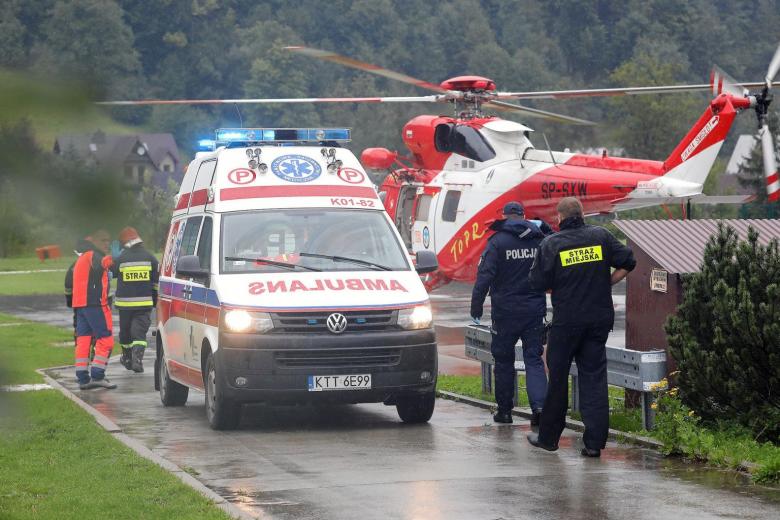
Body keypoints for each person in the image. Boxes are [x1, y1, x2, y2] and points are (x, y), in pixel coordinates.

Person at [526, 197, 635, 457]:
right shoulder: (601, 236)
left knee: (558, 379)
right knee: (594, 379)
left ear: (560, 218)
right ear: (583, 214)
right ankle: (594, 444)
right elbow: (628, 262)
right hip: (597, 321)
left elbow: (536, 282)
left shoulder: (551, 244)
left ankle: (549, 438)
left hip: (567, 323)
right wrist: (605, 282)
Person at [470, 201, 549, 426]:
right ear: (524, 216)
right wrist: (542, 225)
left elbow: (484, 276)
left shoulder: (496, 242)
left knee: (503, 361)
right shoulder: (539, 239)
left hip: (504, 313)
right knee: (533, 359)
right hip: (534, 311)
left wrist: (476, 307)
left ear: (504, 217)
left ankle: (505, 412)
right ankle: (539, 409)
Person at [71, 229, 116, 390]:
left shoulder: (83, 256)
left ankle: (83, 377)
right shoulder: (93, 255)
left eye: (108, 240)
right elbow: (102, 265)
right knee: (106, 339)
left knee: (83, 340)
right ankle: (98, 375)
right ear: (94, 241)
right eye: (103, 240)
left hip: (81, 305)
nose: (107, 243)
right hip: (95, 304)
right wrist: (114, 258)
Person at [110, 227, 159, 373]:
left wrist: (114, 259)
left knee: (125, 334)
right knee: (139, 333)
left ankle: (126, 358)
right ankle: (137, 359)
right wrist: (154, 300)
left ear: (124, 243)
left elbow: (111, 273)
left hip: (125, 306)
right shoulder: (151, 258)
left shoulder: (121, 258)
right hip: (144, 305)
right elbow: (156, 283)